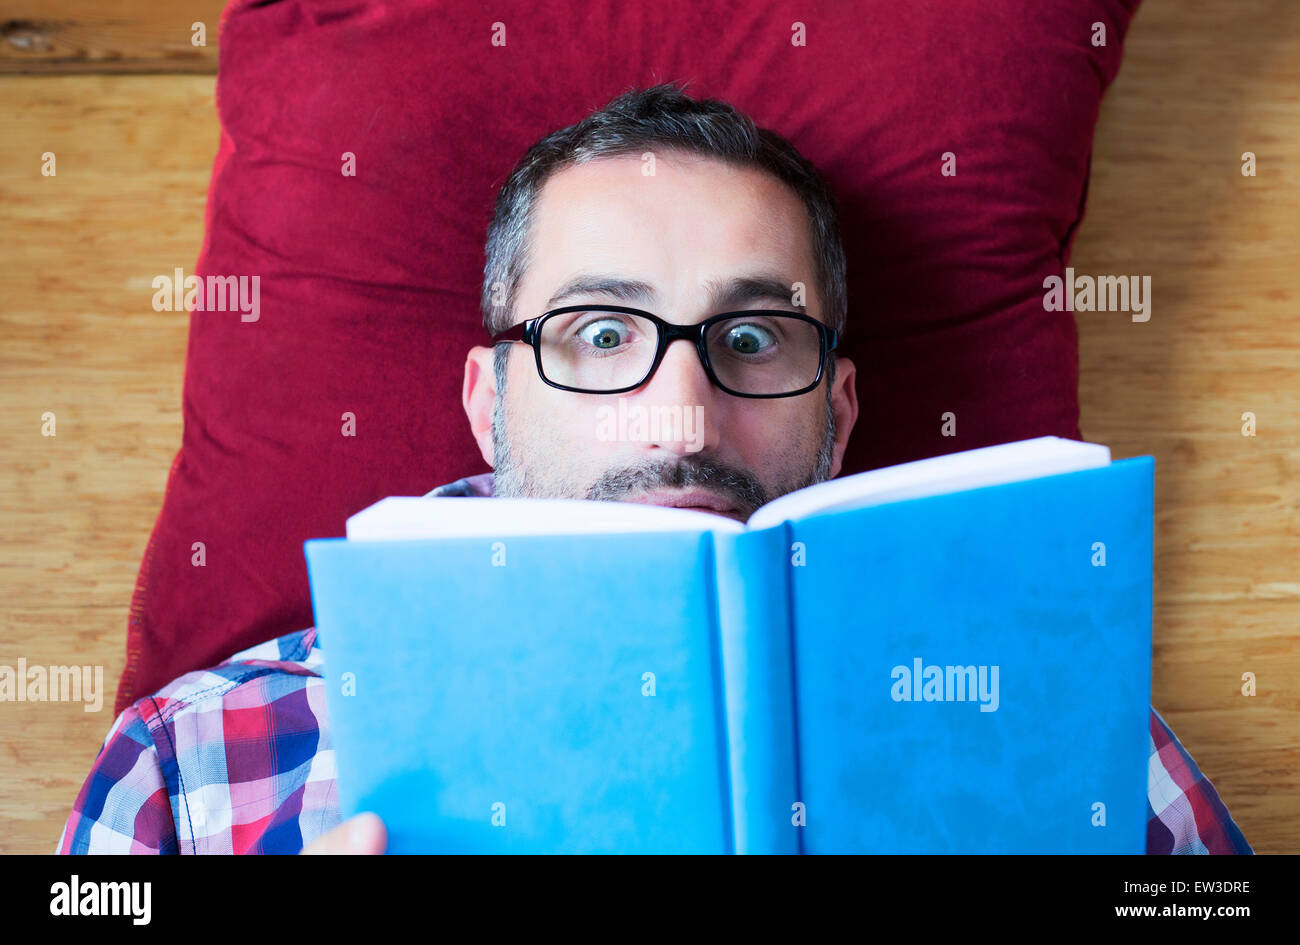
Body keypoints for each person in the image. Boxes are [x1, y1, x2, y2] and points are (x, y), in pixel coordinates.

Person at [57, 84, 1250, 855]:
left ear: (837, 414)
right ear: (488, 403)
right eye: (600, 334)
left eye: (753, 338)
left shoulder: (1064, 719)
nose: (682, 416)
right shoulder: (186, 763)